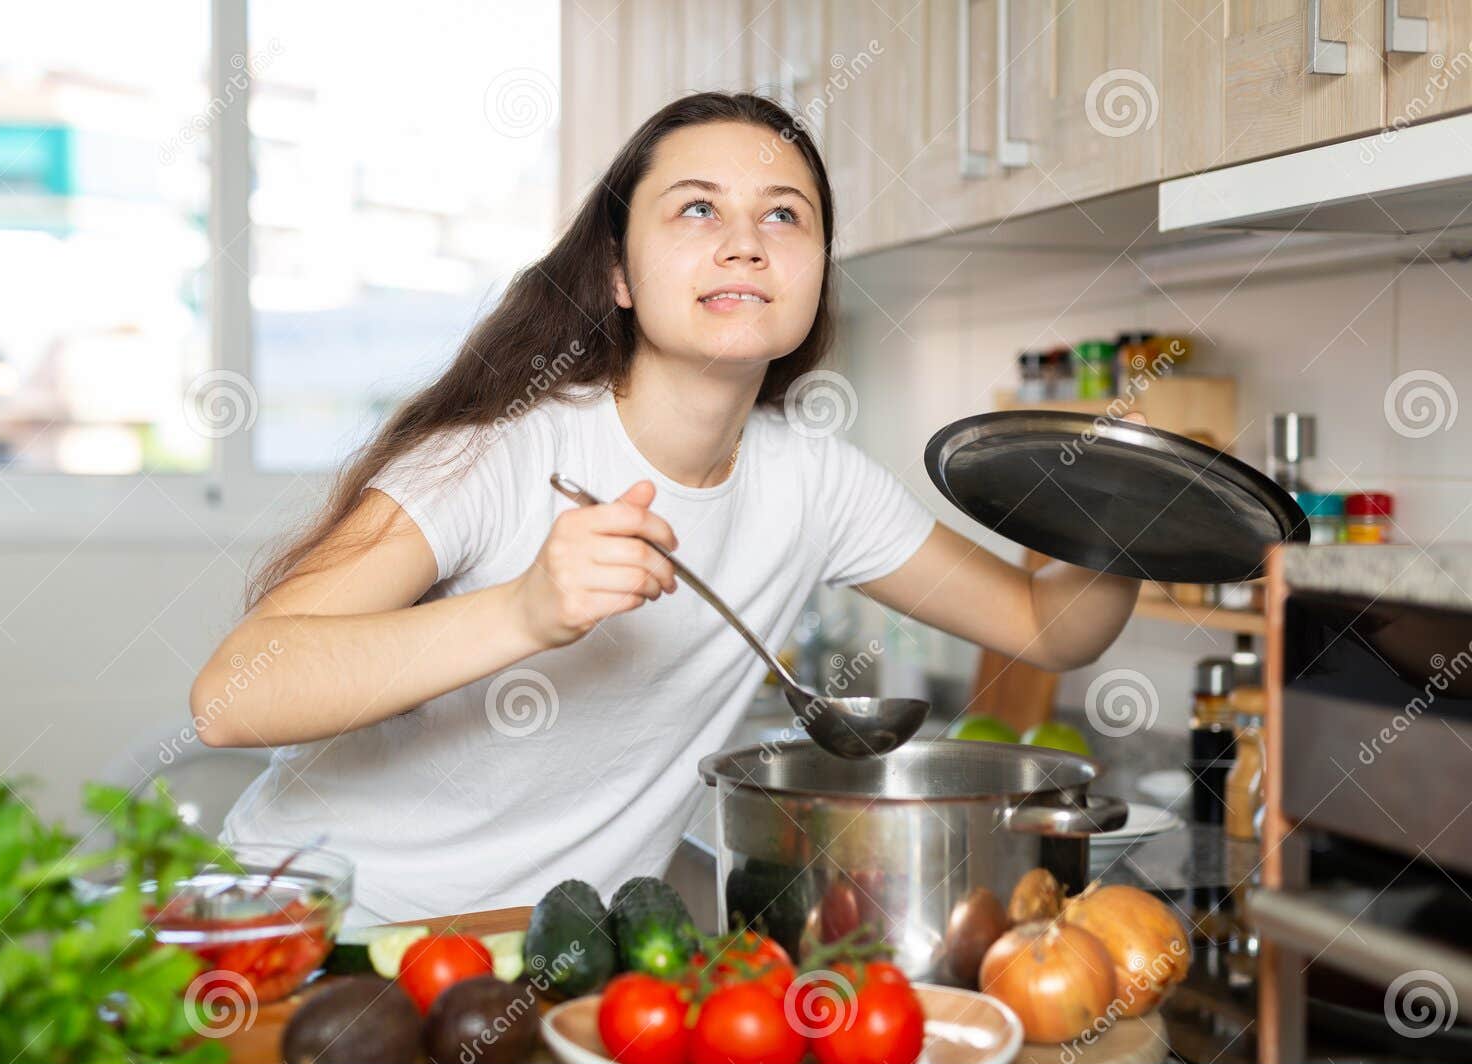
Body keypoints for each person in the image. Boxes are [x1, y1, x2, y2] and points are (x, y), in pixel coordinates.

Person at [191, 92, 1139, 924]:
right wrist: (525, 611)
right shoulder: (503, 446)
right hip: (321, 927)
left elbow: (1044, 625)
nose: (744, 242)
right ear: (618, 274)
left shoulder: (816, 484)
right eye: (697, 209)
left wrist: (1142, 512)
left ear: (815, 269)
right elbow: (232, 698)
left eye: (784, 215)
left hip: (548, 965)